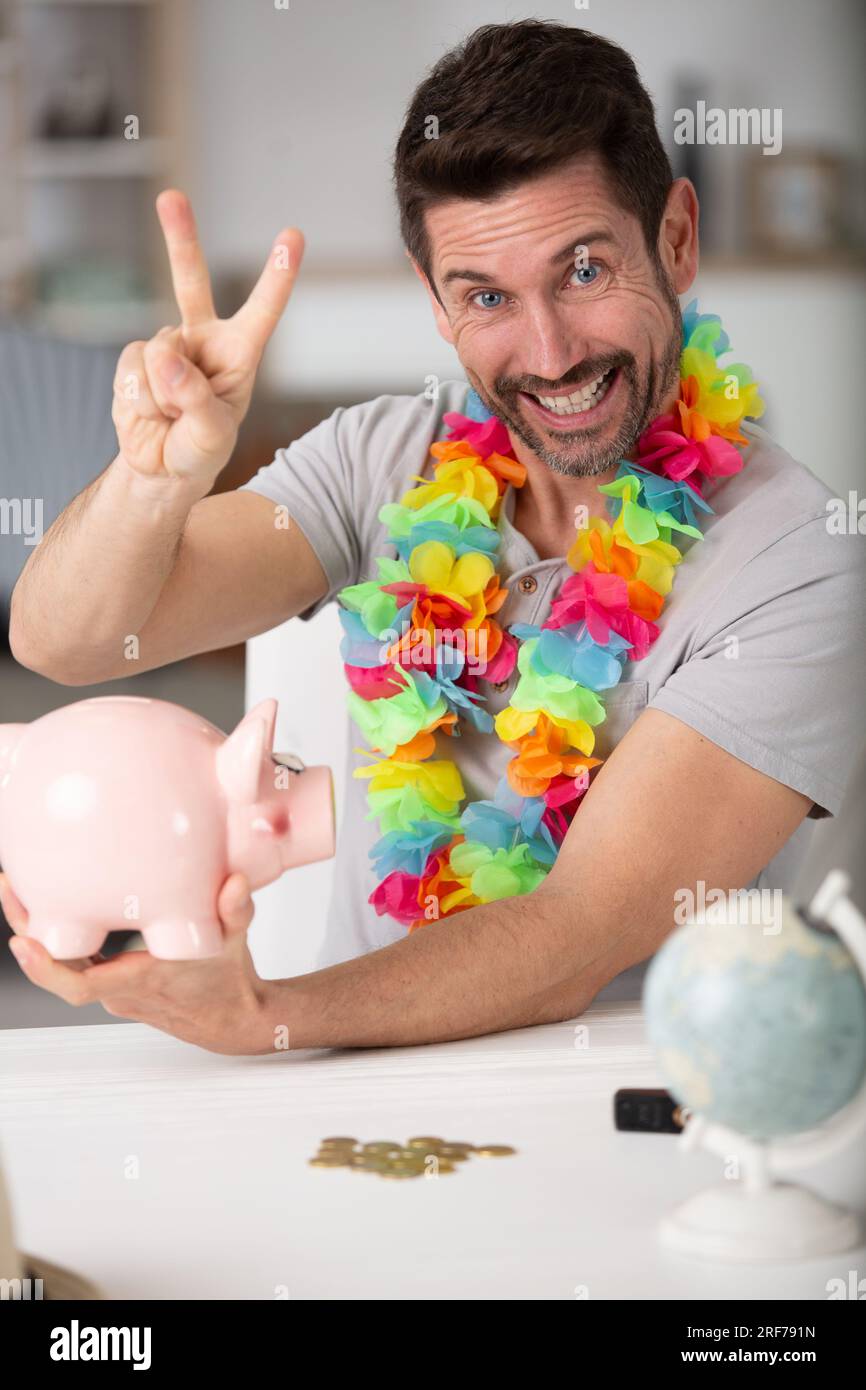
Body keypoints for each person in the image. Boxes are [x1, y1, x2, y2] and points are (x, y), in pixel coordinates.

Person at [3, 21, 863, 1054]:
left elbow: (578, 930)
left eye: (584, 271)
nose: (549, 352)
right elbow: (66, 642)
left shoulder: (796, 562)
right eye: (487, 296)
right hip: (354, 1092)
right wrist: (156, 481)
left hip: (637, 1103)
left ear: (675, 239)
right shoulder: (380, 457)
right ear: (437, 305)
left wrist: (269, 1017)